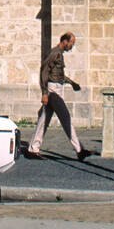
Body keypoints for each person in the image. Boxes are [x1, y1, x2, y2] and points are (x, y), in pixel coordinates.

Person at [26, 32, 91, 160]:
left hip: (56, 89)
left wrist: (72, 83)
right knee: (65, 118)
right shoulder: (54, 53)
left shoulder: (59, 54)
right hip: (53, 91)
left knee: (44, 120)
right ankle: (79, 150)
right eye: (71, 43)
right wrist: (45, 93)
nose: (72, 46)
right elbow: (44, 72)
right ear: (65, 41)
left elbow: (58, 75)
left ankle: (33, 149)